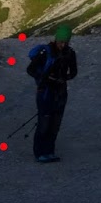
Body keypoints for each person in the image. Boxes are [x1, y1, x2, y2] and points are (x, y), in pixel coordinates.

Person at [26, 25, 78, 163]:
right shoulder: (46, 52)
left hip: (59, 92)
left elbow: (73, 72)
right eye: (61, 41)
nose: (63, 44)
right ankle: (40, 153)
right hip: (46, 91)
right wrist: (46, 78)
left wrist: (63, 78)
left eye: (66, 41)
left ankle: (49, 151)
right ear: (56, 39)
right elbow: (30, 69)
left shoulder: (70, 53)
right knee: (44, 122)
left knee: (55, 123)